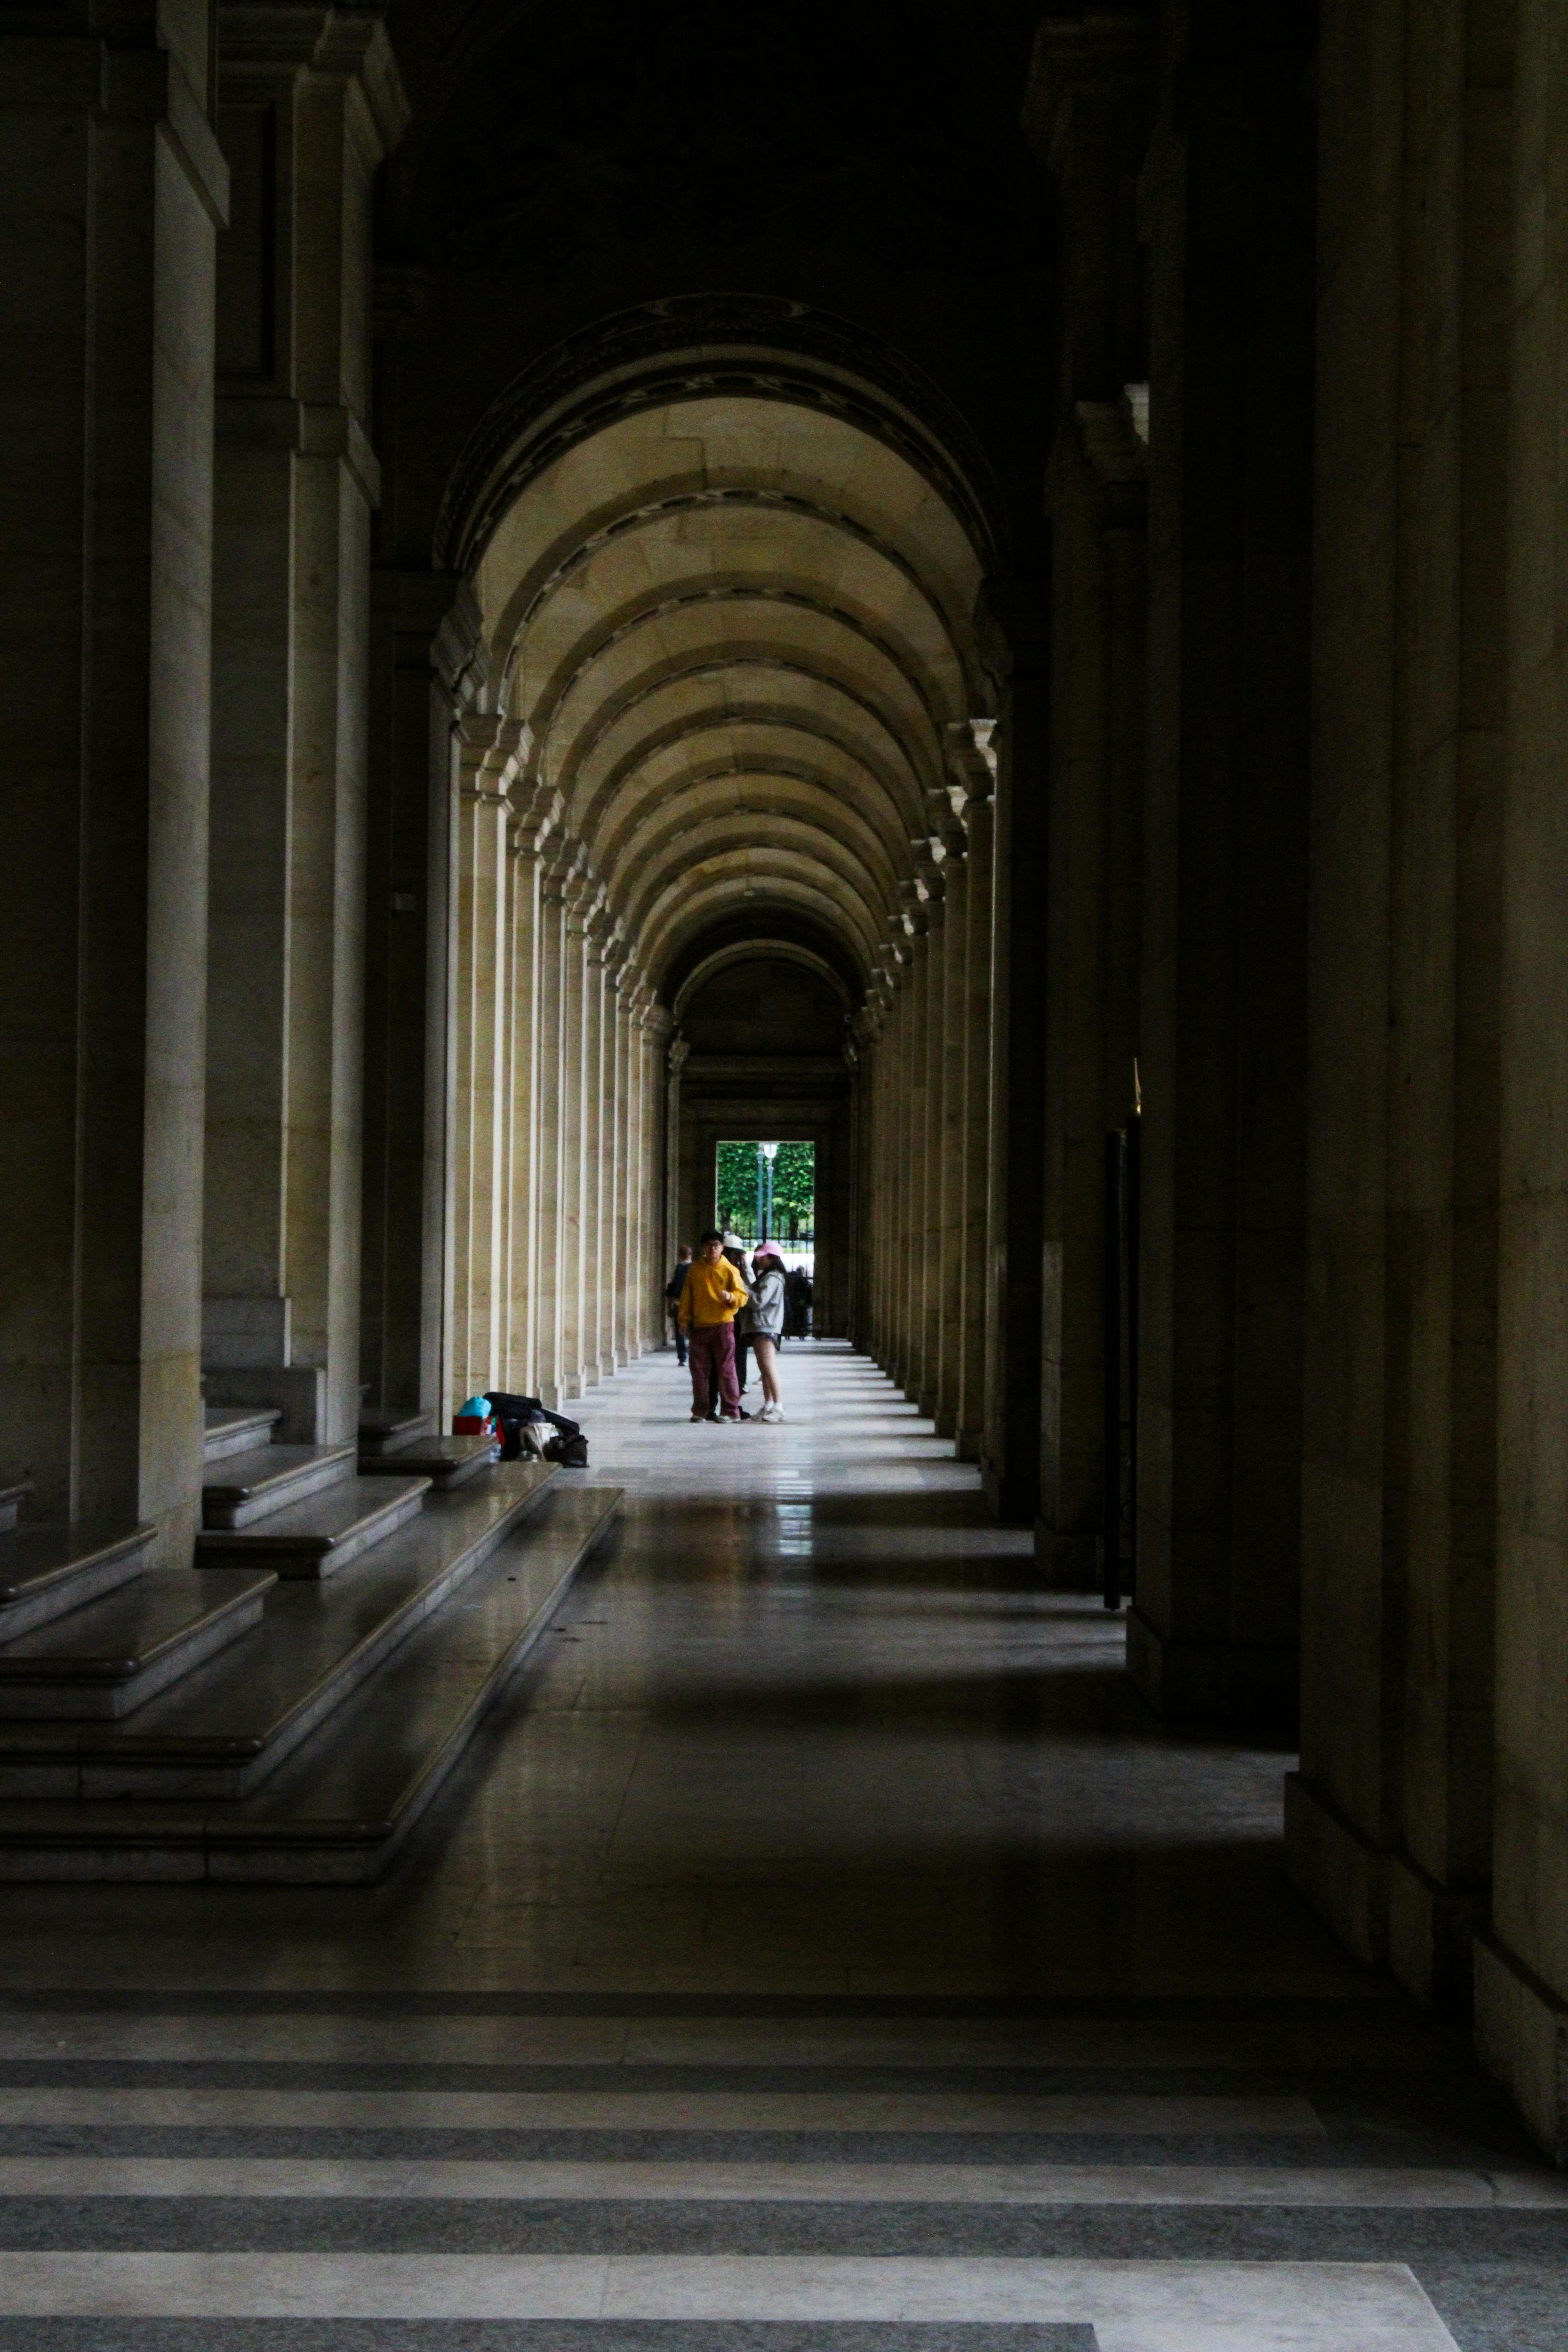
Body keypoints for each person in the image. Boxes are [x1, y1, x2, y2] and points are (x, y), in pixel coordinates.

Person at [678, 1228, 750, 1422]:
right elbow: (687, 1297)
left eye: (716, 1245)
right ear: (703, 1248)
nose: (713, 1249)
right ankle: (701, 1410)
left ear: (722, 1248)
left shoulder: (730, 1270)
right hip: (700, 1326)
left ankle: (730, 1411)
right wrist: (684, 1320)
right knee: (699, 1371)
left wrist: (730, 1297)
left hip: (723, 1324)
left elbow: (743, 1297)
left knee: (726, 1370)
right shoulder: (695, 1270)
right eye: (709, 1246)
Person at [748, 1242, 787, 1421]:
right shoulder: (768, 1276)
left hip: (766, 1325)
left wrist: (743, 1290)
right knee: (764, 1369)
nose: (759, 1260)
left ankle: (778, 1407)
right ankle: (769, 1405)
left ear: (772, 1258)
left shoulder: (773, 1278)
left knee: (769, 1368)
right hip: (762, 1325)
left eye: (762, 1257)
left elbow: (759, 1301)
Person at [722, 1231, 755, 1397]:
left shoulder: (740, 1270)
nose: (737, 1258)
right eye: (735, 1254)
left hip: (739, 1317)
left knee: (740, 1352)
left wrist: (746, 1267)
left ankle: (740, 1383)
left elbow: (753, 1285)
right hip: (725, 1315)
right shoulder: (722, 1268)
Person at [664, 1243, 693, 1365]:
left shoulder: (678, 1270)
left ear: (679, 1256)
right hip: (692, 1304)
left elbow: (671, 1289)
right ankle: (693, 1353)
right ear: (691, 1255)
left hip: (678, 1303)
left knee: (679, 1330)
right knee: (693, 1330)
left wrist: (669, 1306)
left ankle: (682, 1357)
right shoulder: (696, 1269)